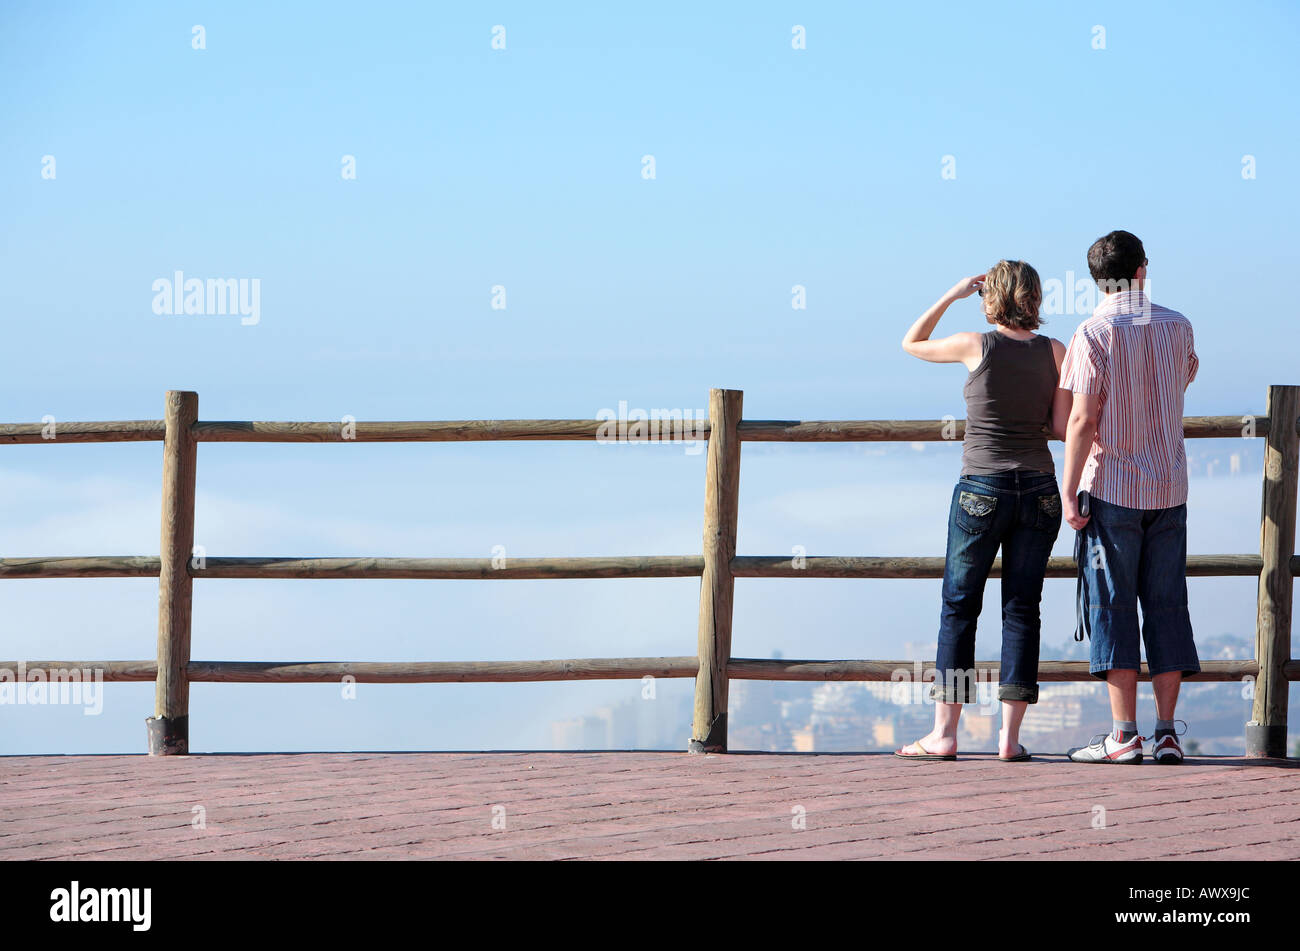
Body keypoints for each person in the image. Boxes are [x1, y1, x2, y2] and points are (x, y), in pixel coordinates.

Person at [895, 261, 1069, 762]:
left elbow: (912, 341)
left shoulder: (975, 344)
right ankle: (1009, 741)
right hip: (1039, 488)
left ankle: (944, 735)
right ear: (1035, 297)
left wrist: (951, 293)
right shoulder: (1054, 351)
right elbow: (1059, 426)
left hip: (981, 489)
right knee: (1022, 609)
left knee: (959, 605)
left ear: (990, 296)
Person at [1061, 230, 1200, 764]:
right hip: (1170, 485)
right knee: (1167, 604)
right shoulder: (1178, 324)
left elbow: (1081, 417)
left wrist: (1068, 492)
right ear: (1144, 267)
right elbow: (1184, 377)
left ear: (1097, 281)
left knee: (1112, 605)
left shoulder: (1093, 331)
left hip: (1114, 486)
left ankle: (1124, 735)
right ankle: (1167, 732)